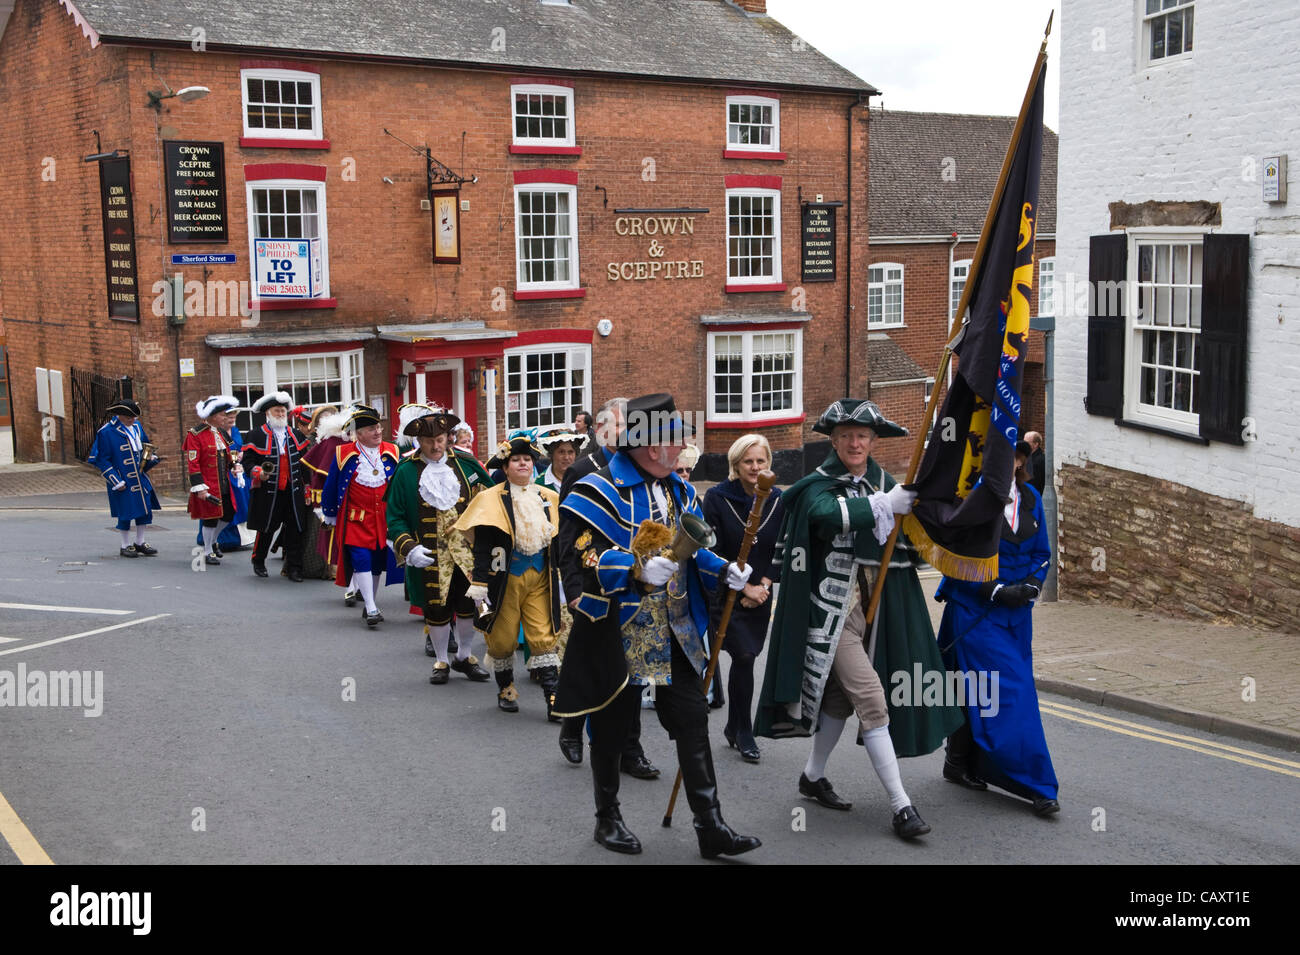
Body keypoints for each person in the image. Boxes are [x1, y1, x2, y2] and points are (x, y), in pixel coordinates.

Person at [552, 393, 760, 859]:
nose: (685, 448)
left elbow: (694, 545)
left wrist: (723, 569)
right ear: (649, 447)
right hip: (618, 629)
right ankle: (607, 820)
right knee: (610, 730)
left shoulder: (679, 488)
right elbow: (580, 556)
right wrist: (634, 570)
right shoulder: (595, 489)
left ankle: (711, 827)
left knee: (693, 723)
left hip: (676, 630)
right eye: (676, 440)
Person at [756, 398, 964, 841]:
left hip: (877, 611)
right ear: (833, 439)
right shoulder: (817, 485)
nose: (855, 443)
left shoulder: (884, 482)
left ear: (873, 441)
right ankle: (901, 806)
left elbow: (906, 536)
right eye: (847, 435)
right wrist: (885, 504)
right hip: (830, 617)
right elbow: (824, 517)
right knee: (872, 699)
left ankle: (811, 777)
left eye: (863, 436)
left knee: (839, 700)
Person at [936, 439, 1058, 817]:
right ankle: (1038, 784)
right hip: (977, 613)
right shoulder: (971, 502)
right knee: (1011, 695)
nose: (1010, 465)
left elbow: (1042, 554)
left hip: (1019, 618)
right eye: (1001, 459)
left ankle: (958, 763)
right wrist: (996, 589)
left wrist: (1034, 586)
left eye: (1016, 458)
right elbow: (951, 560)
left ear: (1021, 463)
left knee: (972, 689)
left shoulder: (1033, 498)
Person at [554, 397, 659, 780]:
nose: (626, 434)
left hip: (635, 587)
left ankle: (631, 747)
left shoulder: (648, 469)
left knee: (632, 673)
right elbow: (569, 537)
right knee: (593, 665)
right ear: (602, 430)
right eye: (618, 426)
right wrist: (574, 589)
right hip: (593, 584)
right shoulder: (583, 470)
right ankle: (573, 727)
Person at [453, 434, 563, 717]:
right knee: (502, 639)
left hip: (540, 578)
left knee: (542, 635)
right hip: (504, 579)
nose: (523, 464)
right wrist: (479, 582)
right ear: (505, 467)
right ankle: (506, 687)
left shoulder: (548, 497)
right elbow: (483, 545)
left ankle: (553, 696)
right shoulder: (491, 499)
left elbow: (560, 539)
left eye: (527, 459)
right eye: (516, 460)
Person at [384, 406, 492, 684]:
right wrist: (409, 548)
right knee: (436, 609)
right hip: (430, 554)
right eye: (429, 441)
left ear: (448, 438)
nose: (435, 445)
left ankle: (465, 656)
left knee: (469, 605)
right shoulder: (406, 472)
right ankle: (442, 660)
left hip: (466, 553)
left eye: (440, 439)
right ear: (418, 442)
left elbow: (490, 502)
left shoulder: (466, 465)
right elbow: (394, 517)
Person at [701, 434, 782, 763]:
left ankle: (734, 728)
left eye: (761, 461)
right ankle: (744, 730)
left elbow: (781, 548)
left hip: (761, 593)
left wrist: (763, 584)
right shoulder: (718, 498)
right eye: (748, 461)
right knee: (745, 656)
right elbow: (711, 550)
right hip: (726, 593)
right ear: (736, 464)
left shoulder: (777, 499)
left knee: (747, 657)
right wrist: (743, 586)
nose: (755, 467)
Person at [321, 405, 403, 628]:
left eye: (378, 427)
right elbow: (331, 485)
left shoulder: (393, 451)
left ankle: (370, 603)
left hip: (383, 520)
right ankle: (371, 607)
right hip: (355, 519)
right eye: (371, 429)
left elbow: (401, 485)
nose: (378, 432)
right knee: (361, 559)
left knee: (376, 562)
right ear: (358, 434)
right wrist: (328, 514)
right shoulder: (344, 454)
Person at [241, 391, 310, 581]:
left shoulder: (295, 434)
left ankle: (294, 567)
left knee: (296, 528)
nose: (280, 414)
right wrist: (258, 473)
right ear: (268, 413)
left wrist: (308, 486)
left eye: (282, 411)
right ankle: (258, 560)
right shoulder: (255, 435)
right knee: (266, 528)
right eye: (276, 411)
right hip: (268, 491)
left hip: (293, 490)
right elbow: (247, 462)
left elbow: (305, 464)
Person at [87, 398, 161, 559]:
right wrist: (115, 480)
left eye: (135, 417)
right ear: (120, 415)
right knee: (125, 512)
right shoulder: (106, 432)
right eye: (129, 418)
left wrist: (151, 457)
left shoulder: (136, 426)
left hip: (140, 477)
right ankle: (125, 545)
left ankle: (140, 542)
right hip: (122, 480)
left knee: (145, 510)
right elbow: (101, 459)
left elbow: (145, 444)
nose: (133, 420)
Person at [182, 395, 243, 565]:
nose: (225, 417)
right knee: (210, 518)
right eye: (223, 414)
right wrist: (199, 487)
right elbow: (192, 463)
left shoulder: (222, 433)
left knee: (229, 514)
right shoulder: (195, 435)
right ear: (212, 416)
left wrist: (235, 465)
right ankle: (208, 550)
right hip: (207, 484)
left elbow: (231, 452)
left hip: (223, 483)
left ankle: (213, 541)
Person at [302, 405, 351, 585]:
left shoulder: (344, 440)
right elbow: (315, 470)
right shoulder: (321, 442)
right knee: (322, 532)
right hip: (324, 494)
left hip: (339, 494)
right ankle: (327, 568)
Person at [535, 427, 587, 493]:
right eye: (561, 452)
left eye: (570, 452)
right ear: (551, 454)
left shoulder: (584, 479)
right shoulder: (539, 484)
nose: (566, 457)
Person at [1024, 430, 1046, 495]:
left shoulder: (1038, 461)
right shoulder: (1027, 456)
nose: (1024, 444)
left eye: (1027, 442)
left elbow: (1034, 484)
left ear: (1036, 444)